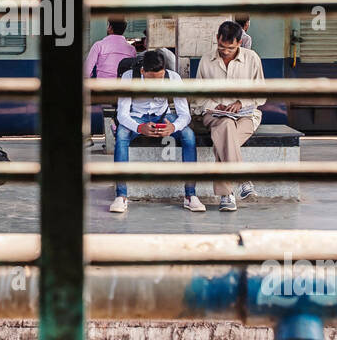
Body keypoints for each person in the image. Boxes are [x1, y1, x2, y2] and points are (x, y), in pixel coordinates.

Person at [109, 49, 203, 214]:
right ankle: (121, 196)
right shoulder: (129, 77)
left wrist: (173, 127)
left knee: (188, 135)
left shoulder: (173, 78)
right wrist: (139, 127)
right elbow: (122, 114)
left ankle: (190, 195)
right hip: (136, 117)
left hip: (163, 116)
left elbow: (185, 115)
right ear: (143, 71)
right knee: (122, 135)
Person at [195, 21, 265, 210]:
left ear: (240, 42)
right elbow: (197, 98)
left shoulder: (252, 59)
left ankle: (227, 196)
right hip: (214, 115)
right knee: (225, 125)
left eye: (230, 48)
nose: (225, 51)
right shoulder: (206, 60)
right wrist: (214, 105)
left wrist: (241, 103)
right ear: (217, 39)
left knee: (223, 140)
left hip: (246, 115)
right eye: (222, 47)